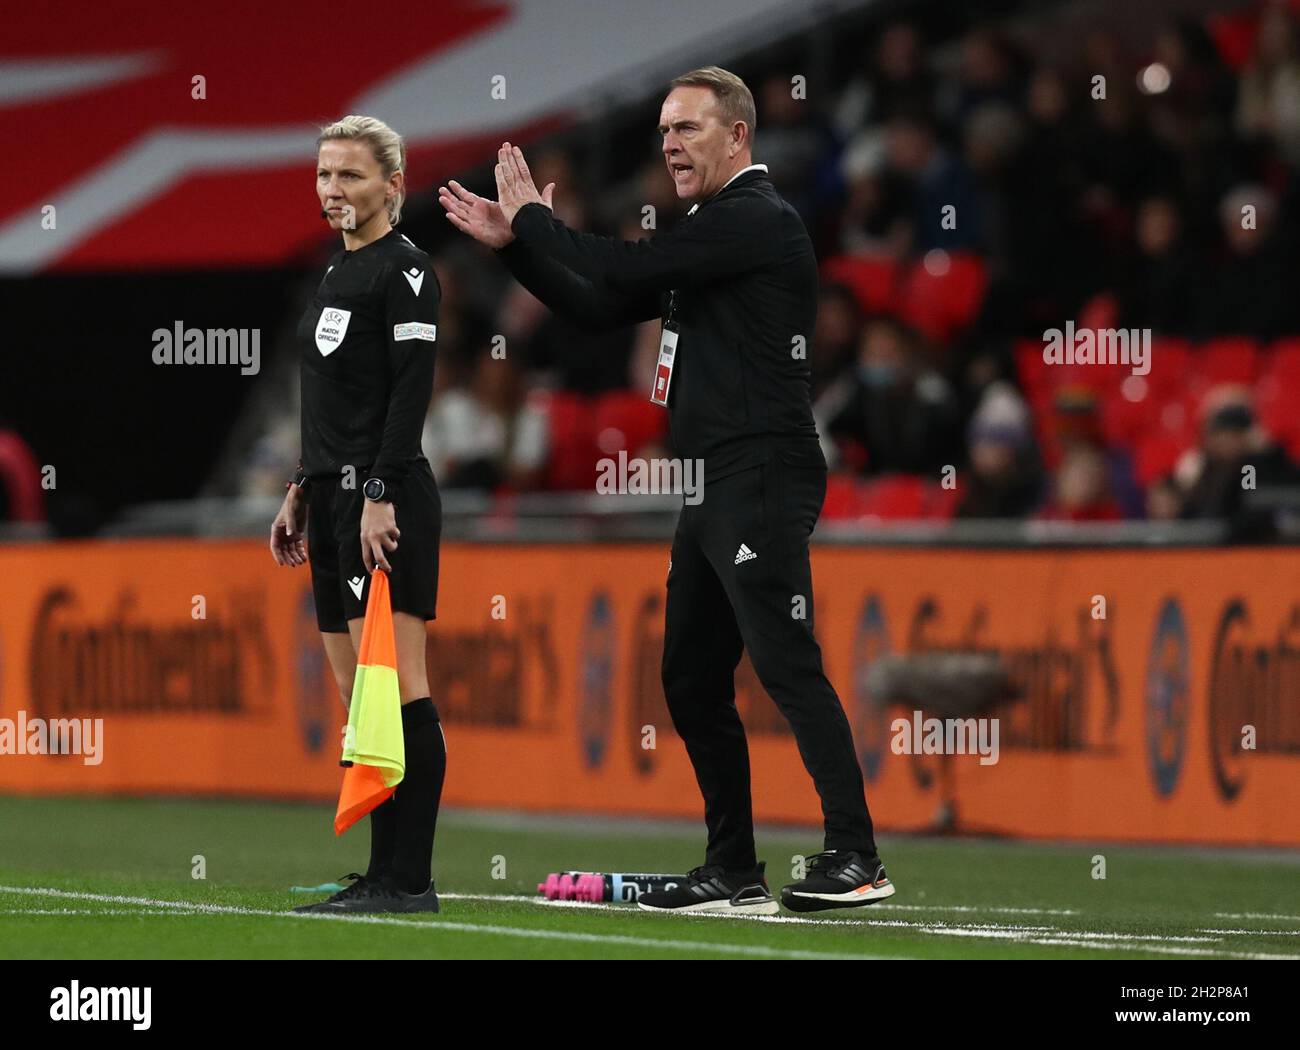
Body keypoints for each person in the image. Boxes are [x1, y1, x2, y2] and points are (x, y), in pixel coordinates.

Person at [440, 67, 893, 914]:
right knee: (689, 675)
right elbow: (596, 308)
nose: (670, 145)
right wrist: (519, 249)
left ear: (738, 137)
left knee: (786, 661)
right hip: (717, 478)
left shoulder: (754, 220)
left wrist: (537, 220)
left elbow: (619, 269)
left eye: (688, 128)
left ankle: (856, 855)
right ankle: (733, 868)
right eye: (663, 131)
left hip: (761, 467)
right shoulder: (715, 231)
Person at [270, 115, 445, 913]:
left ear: (392, 185)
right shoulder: (336, 273)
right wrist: (301, 486)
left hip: (388, 500)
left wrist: (377, 493)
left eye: (350, 176)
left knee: (401, 688)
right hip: (333, 497)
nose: (333, 190)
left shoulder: (405, 273)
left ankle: (409, 879)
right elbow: (331, 403)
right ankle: (381, 872)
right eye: (324, 176)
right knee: (358, 700)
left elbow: (409, 395)